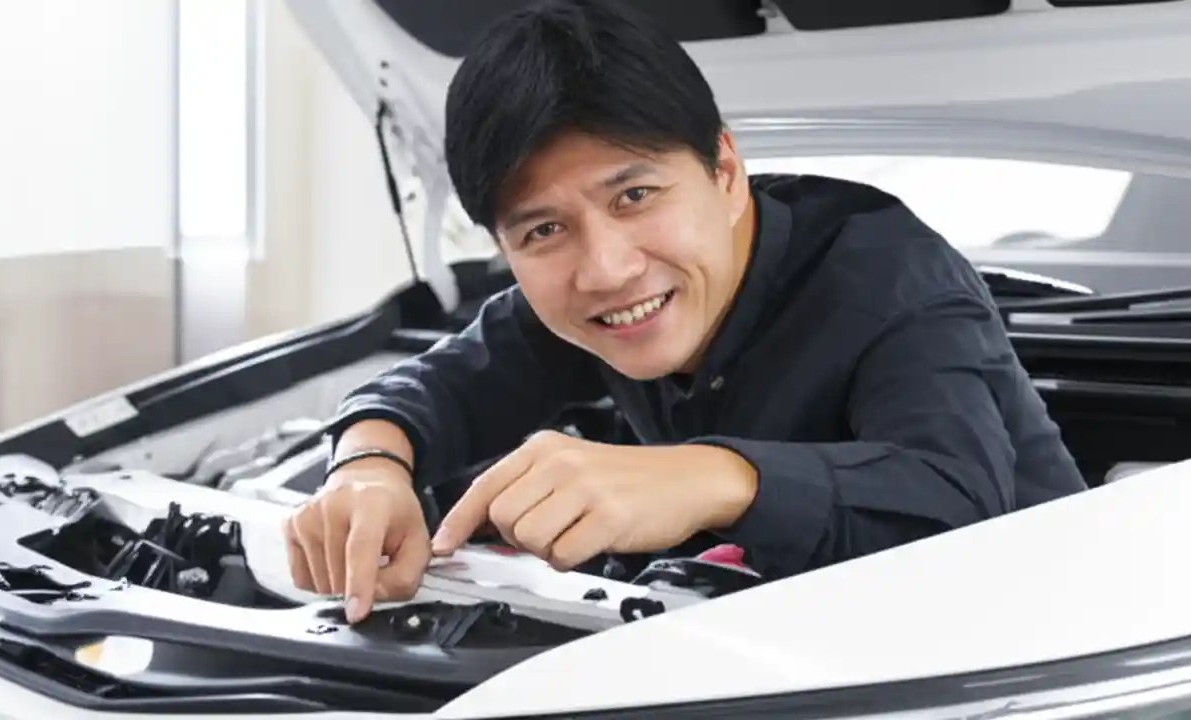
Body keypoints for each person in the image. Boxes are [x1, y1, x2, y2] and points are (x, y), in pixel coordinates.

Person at [284, 0, 1087, 623]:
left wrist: (707, 477)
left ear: (726, 171)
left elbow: (957, 499)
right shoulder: (583, 301)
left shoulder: (888, 273)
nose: (606, 269)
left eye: (635, 195)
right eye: (543, 229)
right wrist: (367, 468)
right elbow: (435, 387)